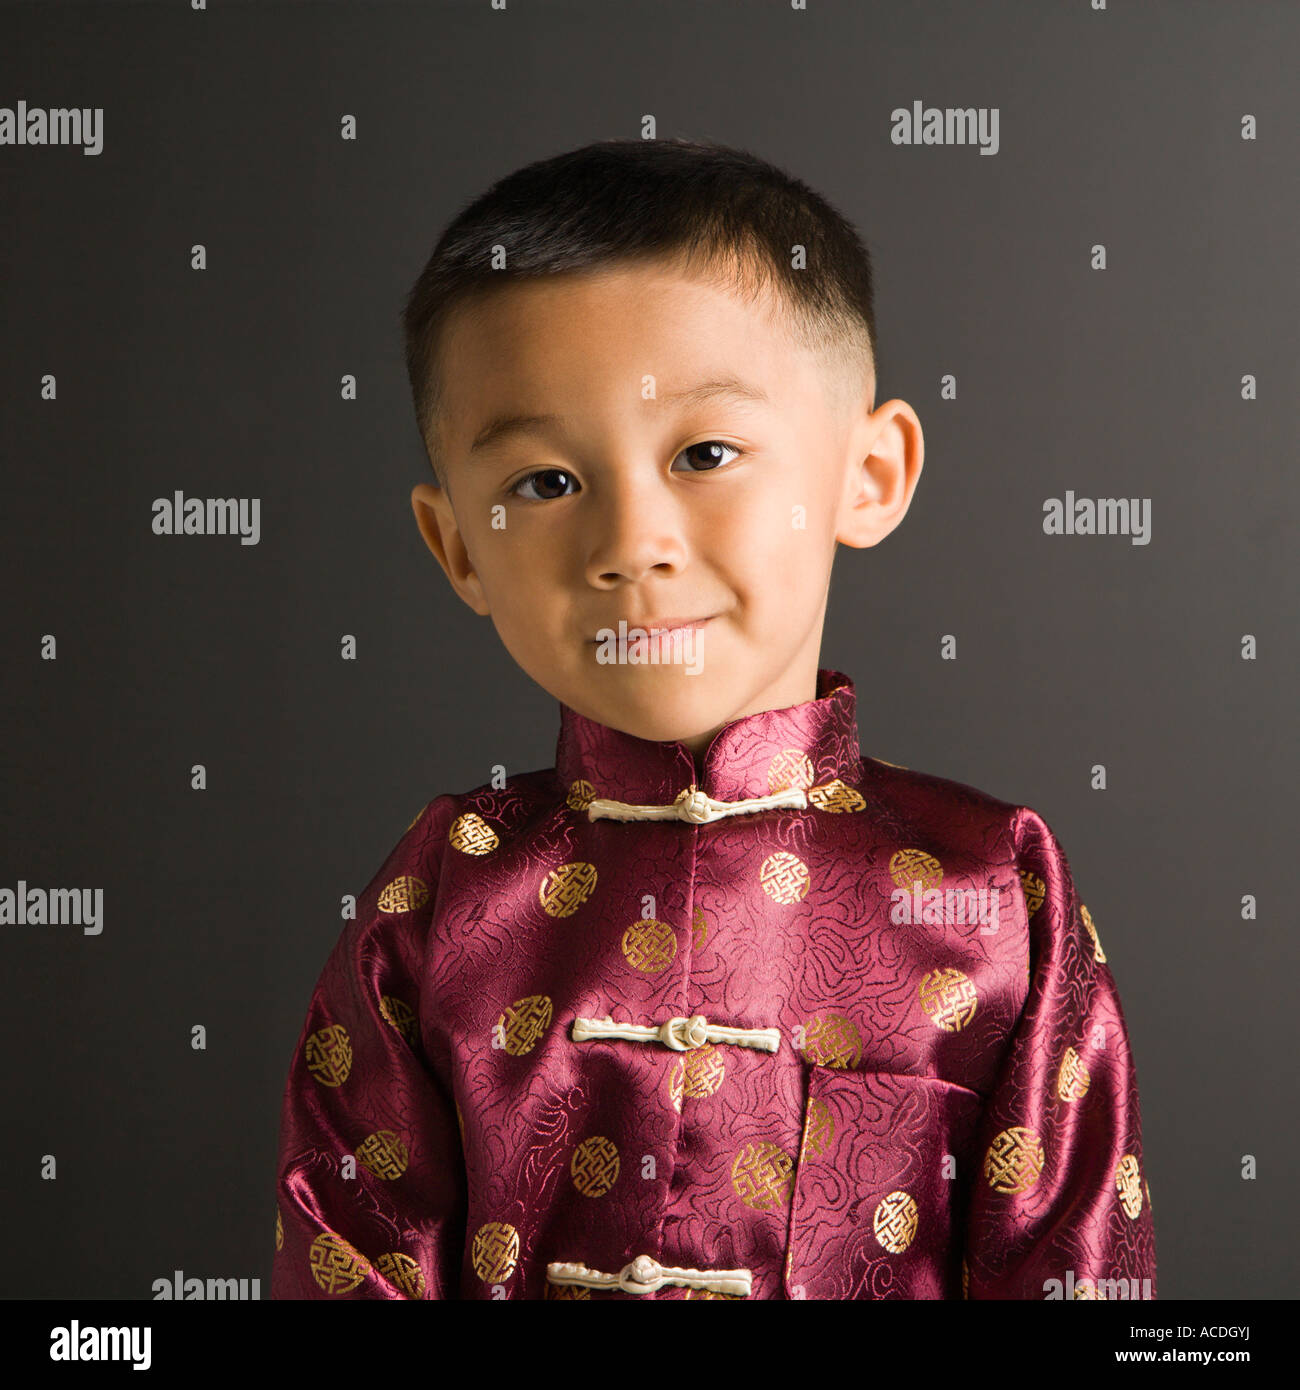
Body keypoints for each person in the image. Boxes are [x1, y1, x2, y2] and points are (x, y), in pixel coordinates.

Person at [270, 138, 1156, 1300]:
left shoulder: (990, 889)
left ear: (868, 472)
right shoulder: (445, 892)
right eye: (544, 482)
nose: (633, 542)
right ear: (456, 546)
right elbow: (346, 1257)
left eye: (705, 452)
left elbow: (1077, 1273)